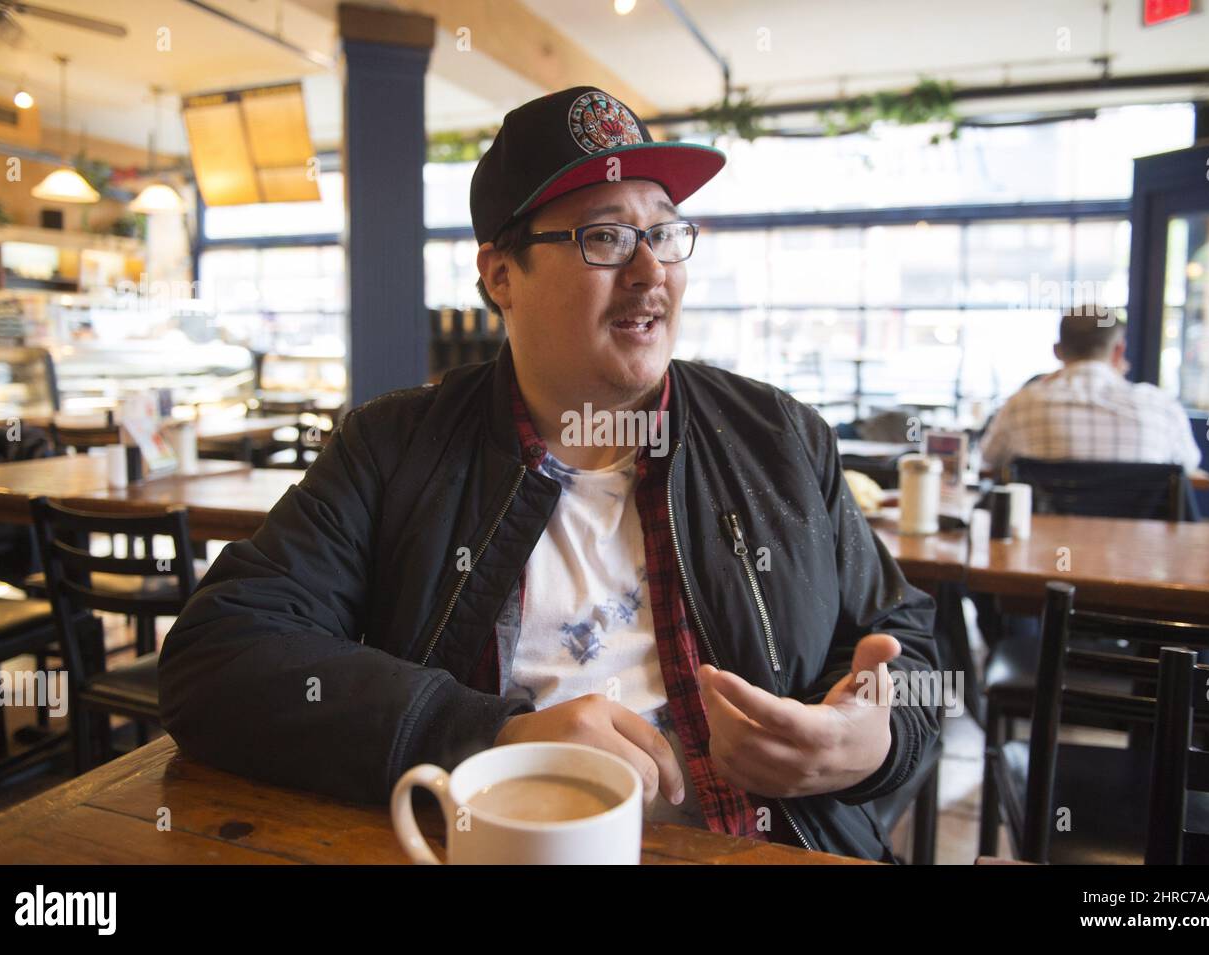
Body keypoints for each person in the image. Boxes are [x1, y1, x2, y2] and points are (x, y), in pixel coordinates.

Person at [160, 86, 940, 862]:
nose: (648, 271)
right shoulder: (395, 448)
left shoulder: (778, 438)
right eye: (604, 237)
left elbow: (910, 646)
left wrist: (871, 739)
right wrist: (490, 735)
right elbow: (218, 658)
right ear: (501, 275)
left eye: (664, 234)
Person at [979, 305, 1202, 475]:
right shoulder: (1161, 406)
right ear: (1118, 350)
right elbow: (1189, 464)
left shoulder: (1022, 403)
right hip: (1138, 535)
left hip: (1046, 534)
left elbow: (989, 458)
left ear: (1057, 351)